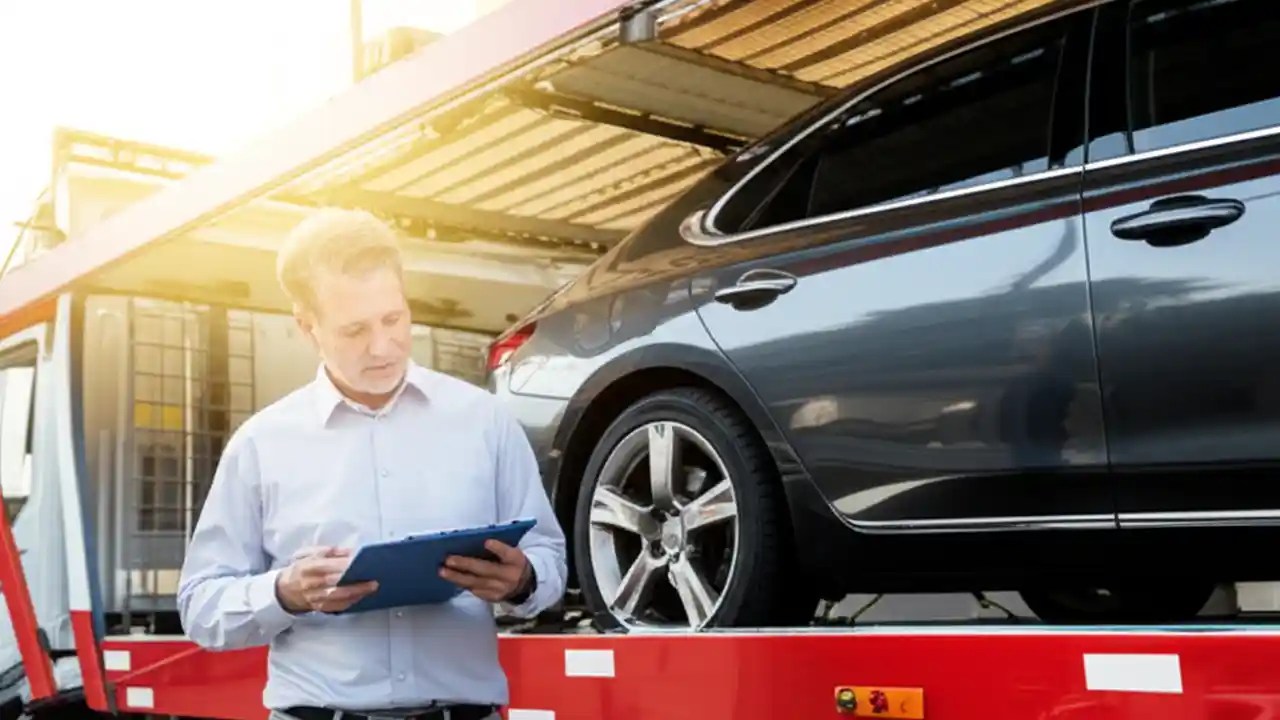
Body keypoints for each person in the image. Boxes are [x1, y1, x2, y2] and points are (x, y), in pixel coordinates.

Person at [176, 207, 567, 720]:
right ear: (306, 327)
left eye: (394, 319)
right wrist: (285, 592)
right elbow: (201, 607)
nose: (383, 347)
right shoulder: (261, 444)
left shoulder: (484, 421)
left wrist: (523, 580)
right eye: (355, 329)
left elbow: (549, 558)